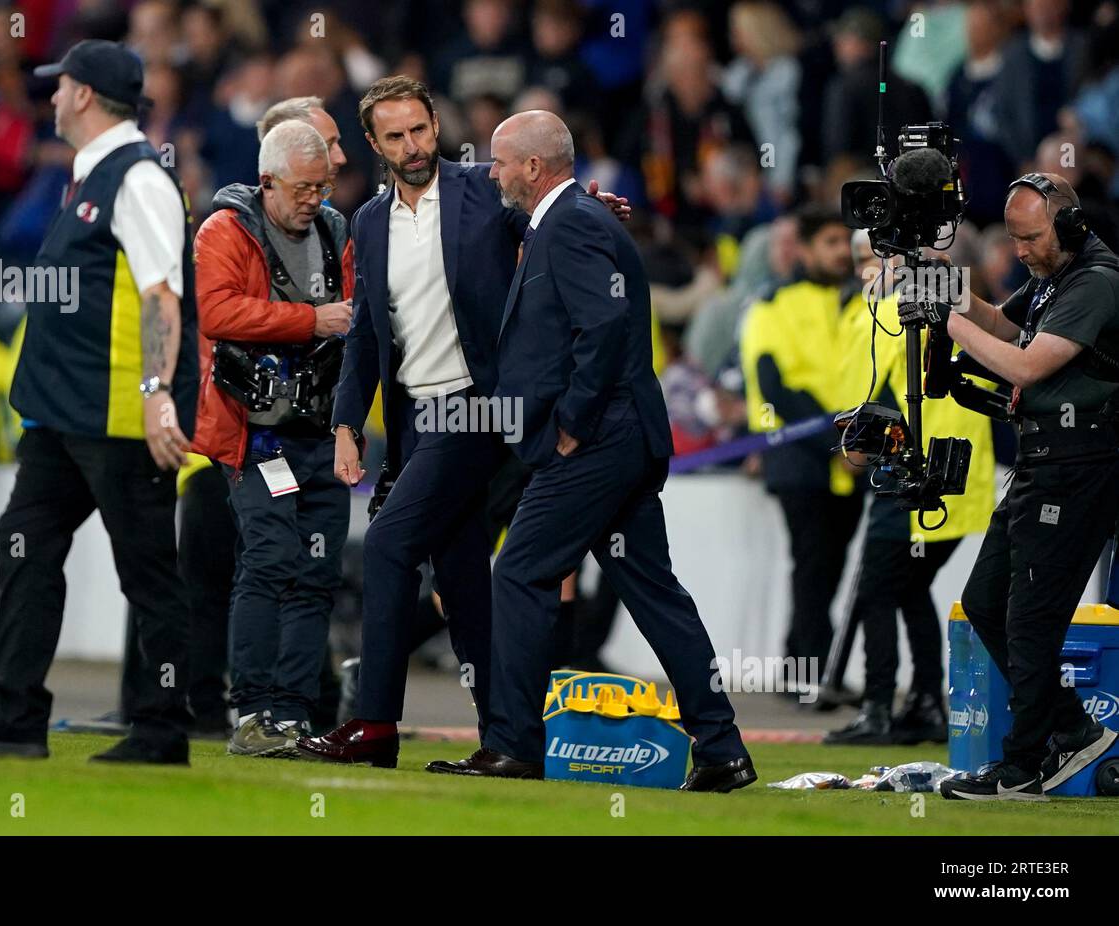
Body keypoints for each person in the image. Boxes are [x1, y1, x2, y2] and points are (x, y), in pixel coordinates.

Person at [295, 77, 629, 768]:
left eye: (420, 129)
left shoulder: (484, 187)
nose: (413, 146)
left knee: (388, 544)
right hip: (417, 416)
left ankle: (376, 724)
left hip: (480, 408)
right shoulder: (367, 221)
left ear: (434, 122)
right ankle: (507, 741)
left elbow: (549, 215)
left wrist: (590, 203)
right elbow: (365, 333)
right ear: (375, 144)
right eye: (395, 136)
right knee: (465, 580)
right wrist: (348, 422)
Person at [430, 111, 755, 791]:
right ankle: (722, 750)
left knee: (518, 574)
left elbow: (602, 328)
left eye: (499, 163)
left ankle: (515, 744)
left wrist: (572, 423)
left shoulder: (573, 222)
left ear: (532, 168)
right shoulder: (570, 216)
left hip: (596, 440)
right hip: (625, 436)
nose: (491, 175)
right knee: (652, 589)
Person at [0, 40, 198, 765]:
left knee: (146, 573)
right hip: (62, 415)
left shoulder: (137, 179)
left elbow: (161, 296)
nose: (49, 98)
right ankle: (13, 711)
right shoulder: (94, 176)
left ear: (82, 94)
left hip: (116, 414)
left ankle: (164, 728)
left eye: (59, 86)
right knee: (25, 546)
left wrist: (156, 394)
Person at [938, 173, 1119, 800]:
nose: (1019, 251)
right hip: (1043, 460)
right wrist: (942, 284)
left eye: (1030, 238)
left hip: (1083, 462)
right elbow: (1003, 324)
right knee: (987, 602)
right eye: (1013, 239)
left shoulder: (1096, 281)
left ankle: (1023, 767)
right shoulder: (1052, 278)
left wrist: (946, 323)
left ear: (1068, 226)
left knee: (1031, 618)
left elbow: (1025, 363)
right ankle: (1072, 732)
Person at [189, 119, 355, 756]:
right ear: (267, 183)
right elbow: (218, 311)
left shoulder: (336, 230)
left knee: (316, 574)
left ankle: (293, 714)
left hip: (317, 434)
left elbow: (359, 319)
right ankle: (253, 711)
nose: (315, 198)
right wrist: (311, 319)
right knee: (268, 560)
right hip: (255, 438)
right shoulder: (224, 230)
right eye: (304, 188)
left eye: (324, 185)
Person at [824, 232, 996, 745]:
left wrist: (852, 449)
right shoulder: (950, 302)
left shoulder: (889, 313)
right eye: (857, 263)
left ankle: (878, 707)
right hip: (961, 478)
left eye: (869, 261)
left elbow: (860, 395)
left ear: (897, 262)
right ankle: (927, 703)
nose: (862, 274)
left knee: (878, 591)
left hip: (911, 475)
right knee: (911, 589)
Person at [739, 206, 865, 686]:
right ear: (806, 249)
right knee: (813, 562)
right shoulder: (773, 304)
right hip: (801, 455)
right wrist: (842, 444)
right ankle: (811, 671)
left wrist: (856, 446)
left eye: (844, 244)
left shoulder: (861, 304)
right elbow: (777, 388)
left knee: (829, 567)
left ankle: (806, 666)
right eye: (830, 242)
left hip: (851, 455)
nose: (840, 253)